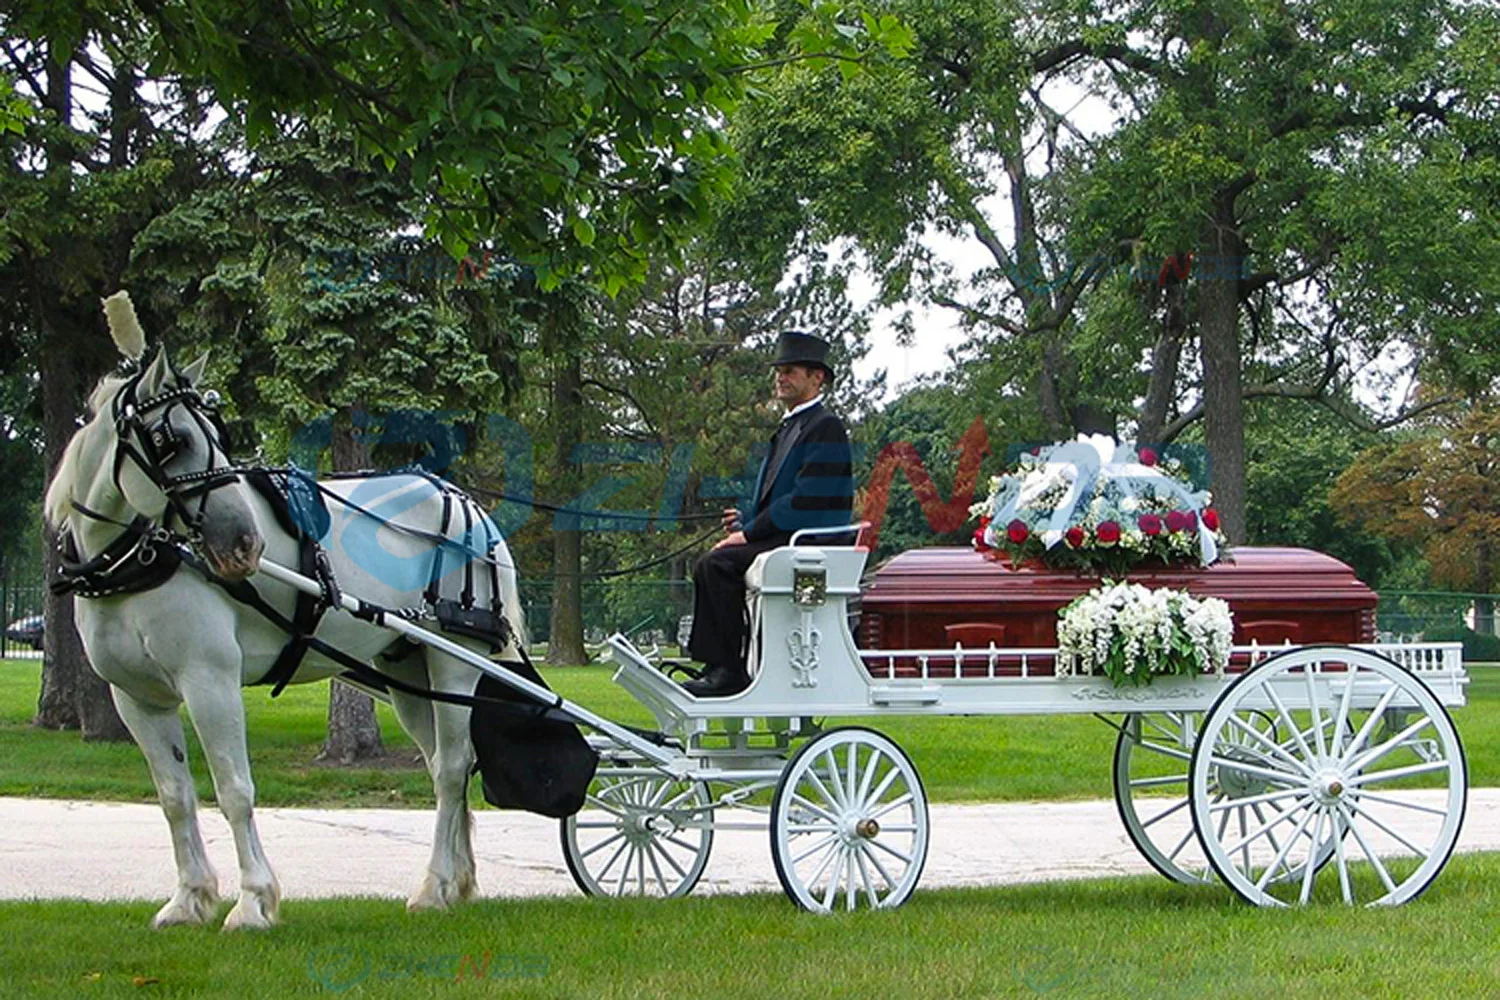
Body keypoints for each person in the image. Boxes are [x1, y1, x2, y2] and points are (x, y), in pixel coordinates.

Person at [682, 331, 855, 697]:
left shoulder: (825, 427)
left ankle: (729, 669)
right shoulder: (791, 427)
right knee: (713, 561)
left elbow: (808, 499)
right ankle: (718, 663)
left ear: (816, 377)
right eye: (779, 370)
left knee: (716, 565)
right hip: (786, 534)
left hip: (810, 539)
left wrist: (748, 535)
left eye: (790, 370)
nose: (780, 377)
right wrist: (746, 522)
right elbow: (782, 495)